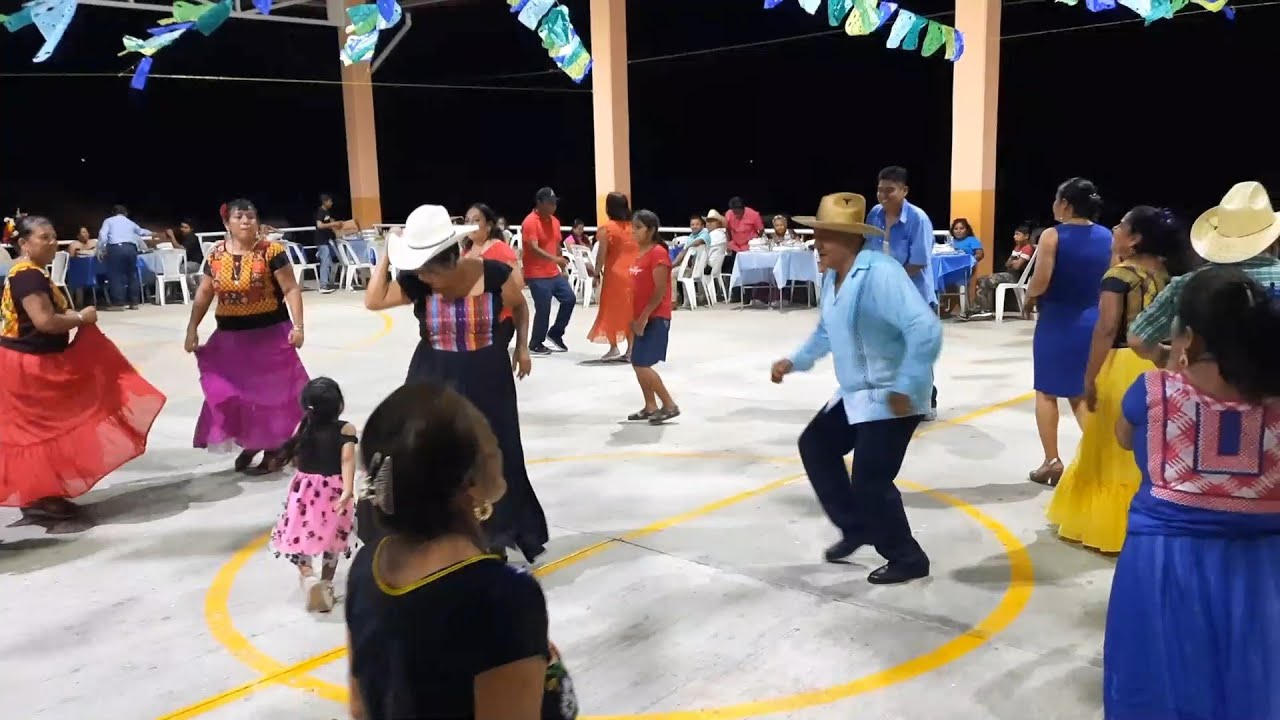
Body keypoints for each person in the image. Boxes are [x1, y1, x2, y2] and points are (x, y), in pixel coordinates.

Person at [344, 382, 577, 720]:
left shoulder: (369, 565)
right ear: (468, 482)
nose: (498, 445)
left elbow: (359, 706)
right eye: (488, 439)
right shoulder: (501, 598)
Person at [1106, 267, 1280, 720]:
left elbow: (1125, 439)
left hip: (1165, 564)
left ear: (1192, 339)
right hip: (1265, 566)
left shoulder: (1153, 391)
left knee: (1160, 687)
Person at [771, 193, 941, 585]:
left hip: (895, 393)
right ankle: (856, 526)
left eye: (825, 235)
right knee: (816, 445)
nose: (816, 243)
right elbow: (826, 331)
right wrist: (794, 361)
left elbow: (924, 327)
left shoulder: (881, 273)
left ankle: (908, 557)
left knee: (871, 480)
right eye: (816, 233)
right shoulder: (833, 277)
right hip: (857, 392)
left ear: (851, 239)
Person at [364, 204, 546, 564]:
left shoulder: (495, 274)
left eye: (432, 271)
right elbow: (373, 300)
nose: (427, 279)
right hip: (434, 371)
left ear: (452, 258)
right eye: (421, 271)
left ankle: (493, 533)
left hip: (488, 374)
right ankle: (437, 531)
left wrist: (522, 347)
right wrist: (387, 254)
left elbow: (521, 307)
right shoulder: (416, 283)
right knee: (432, 452)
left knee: (496, 451)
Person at [0, 216, 166, 529]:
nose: (51, 242)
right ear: (23, 243)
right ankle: (39, 499)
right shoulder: (27, 277)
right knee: (41, 432)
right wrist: (81, 317)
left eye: (53, 236)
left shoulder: (32, 273)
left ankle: (41, 496)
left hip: (32, 361)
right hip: (26, 366)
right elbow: (45, 322)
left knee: (43, 430)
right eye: (43, 237)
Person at [1046, 206, 1182, 553]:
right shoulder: (1166, 272)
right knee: (1149, 447)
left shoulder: (1119, 276)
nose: (1115, 229)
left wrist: (1089, 377)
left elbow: (1106, 329)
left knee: (1110, 446)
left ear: (1135, 239)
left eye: (1121, 225)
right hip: (1160, 362)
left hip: (1123, 363)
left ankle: (1106, 526)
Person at [186, 198, 309, 475]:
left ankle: (275, 449)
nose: (245, 222)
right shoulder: (216, 254)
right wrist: (192, 327)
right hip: (230, 338)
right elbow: (205, 293)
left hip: (270, 336)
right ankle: (252, 441)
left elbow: (290, 289)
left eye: (251, 217)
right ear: (226, 223)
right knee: (231, 394)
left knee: (272, 397)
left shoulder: (271, 251)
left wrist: (298, 327)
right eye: (239, 217)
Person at [1127, 180, 1280, 367]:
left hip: (1206, 388)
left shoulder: (1188, 283)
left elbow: (1138, 340)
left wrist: (1168, 358)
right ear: (1274, 238)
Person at [1023, 178, 1114, 486]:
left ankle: (1052, 461)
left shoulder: (1052, 235)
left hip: (1058, 319)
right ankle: (1101, 457)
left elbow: (1042, 279)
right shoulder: (1107, 236)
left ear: (1065, 204)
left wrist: (1028, 296)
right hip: (1093, 318)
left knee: (1047, 391)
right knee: (1081, 390)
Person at [270, 377, 357, 613]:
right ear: (339, 404)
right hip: (333, 489)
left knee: (300, 533)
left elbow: (298, 457)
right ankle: (326, 583)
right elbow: (347, 459)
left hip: (304, 488)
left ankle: (308, 577)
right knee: (333, 537)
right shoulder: (345, 429)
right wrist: (348, 489)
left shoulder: (303, 427)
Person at [865, 166, 939, 421]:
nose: (883, 195)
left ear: (904, 191)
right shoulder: (874, 215)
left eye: (890, 190)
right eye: (879, 190)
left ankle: (926, 402)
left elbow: (918, 261)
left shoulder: (918, 219)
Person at [626, 209, 679, 424]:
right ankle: (650, 405)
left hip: (654, 316)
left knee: (641, 363)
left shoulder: (658, 253)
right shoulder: (638, 253)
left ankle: (669, 404)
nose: (633, 232)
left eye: (638, 228)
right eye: (633, 227)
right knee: (636, 362)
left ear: (651, 230)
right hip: (640, 316)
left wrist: (644, 316)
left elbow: (659, 290)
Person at [521, 187, 574, 356]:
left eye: (555, 204)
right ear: (539, 203)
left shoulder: (555, 221)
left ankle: (555, 333)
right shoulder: (530, 222)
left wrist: (561, 264)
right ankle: (536, 342)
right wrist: (555, 260)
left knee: (569, 299)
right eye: (550, 203)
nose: (553, 207)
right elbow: (534, 248)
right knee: (543, 308)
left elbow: (556, 244)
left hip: (553, 272)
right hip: (536, 274)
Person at [463, 202, 523, 348]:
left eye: (476, 220)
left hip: (498, 320)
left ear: (488, 225)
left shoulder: (500, 249)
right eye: (467, 221)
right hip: (472, 321)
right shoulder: (466, 251)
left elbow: (518, 283)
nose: (470, 224)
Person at [587, 192, 638, 363]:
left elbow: (602, 254)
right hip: (633, 273)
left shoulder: (607, 228)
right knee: (629, 311)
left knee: (609, 309)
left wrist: (596, 273)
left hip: (615, 275)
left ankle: (613, 346)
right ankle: (631, 349)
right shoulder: (634, 226)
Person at [963, 224, 1035, 319]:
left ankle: (981, 309)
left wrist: (1013, 262)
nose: (1015, 237)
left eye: (1018, 234)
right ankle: (981, 309)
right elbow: (1007, 264)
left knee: (986, 280)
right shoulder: (1017, 248)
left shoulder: (1028, 248)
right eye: (1014, 234)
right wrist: (1013, 260)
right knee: (981, 280)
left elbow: (1017, 266)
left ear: (1026, 236)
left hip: (1017, 277)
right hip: (1010, 274)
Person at [97, 204, 150, 310]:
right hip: (131, 248)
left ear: (113, 213)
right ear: (125, 213)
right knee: (132, 274)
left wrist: (100, 249)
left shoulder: (109, 221)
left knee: (116, 275)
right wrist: (153, 233)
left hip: (116, 248)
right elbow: (141, 231)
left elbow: (103, 235)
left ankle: (118, 303)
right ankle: (134, 302)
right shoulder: (130, 222)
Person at [314, 193, 350, 294]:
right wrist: (333, 224)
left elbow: (329, 222)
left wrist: (337, 224)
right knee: (325, 261)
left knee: (328, 261)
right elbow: (319, 225)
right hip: (321, 240)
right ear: (325, 202)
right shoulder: (320, 211)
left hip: (327, 240)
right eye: (330, 201)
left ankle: (327, 282)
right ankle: (323, 285)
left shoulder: (327, 212)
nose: (331, 203)